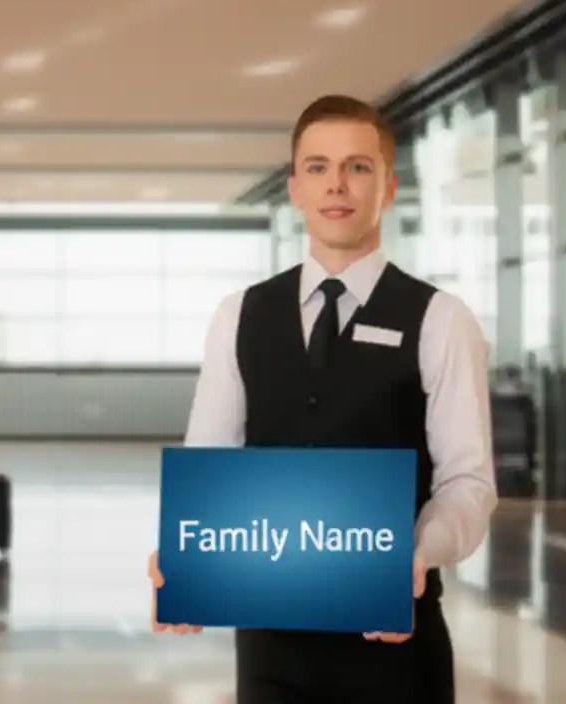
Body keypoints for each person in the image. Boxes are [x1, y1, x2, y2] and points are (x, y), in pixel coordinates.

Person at [149, 95, 498, 703]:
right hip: (269, 645)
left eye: (358, 167)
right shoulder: (240, 315)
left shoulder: (441, 320)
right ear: (294, 187)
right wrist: (184, 554)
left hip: (394, 640)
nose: (337, 184)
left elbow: (469, 484)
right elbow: (212, 461)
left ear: (388, 187)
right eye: (317, 167)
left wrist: (415, 554)